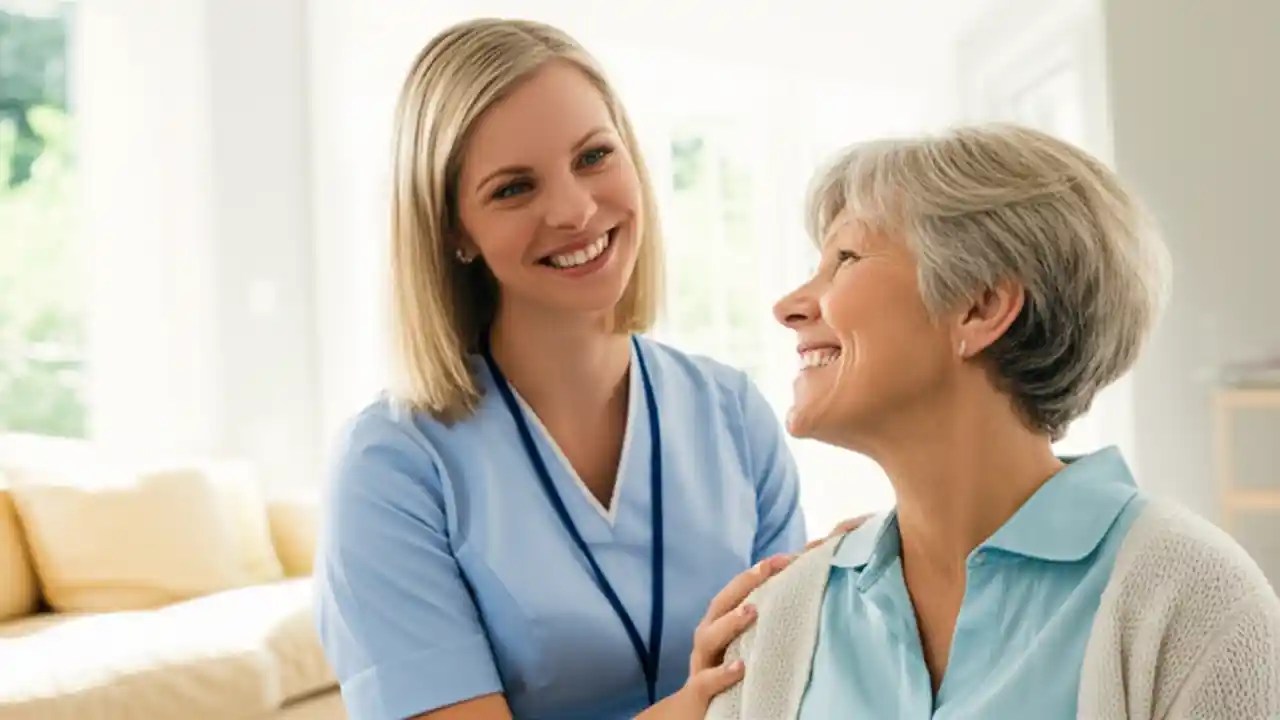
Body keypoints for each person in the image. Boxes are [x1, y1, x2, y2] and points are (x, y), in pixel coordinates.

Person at [313, 17, 820, 720]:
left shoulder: (732, 413)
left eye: (593, 157)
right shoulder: (392, 466)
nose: (576, 210)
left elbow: (790, 687)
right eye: (513, 188)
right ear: (453, 228)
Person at [707, 124, 1280, 719]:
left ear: (981, 307)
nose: (789, 306)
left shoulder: (1192, 598)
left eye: (845, 258)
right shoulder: (779, 616)